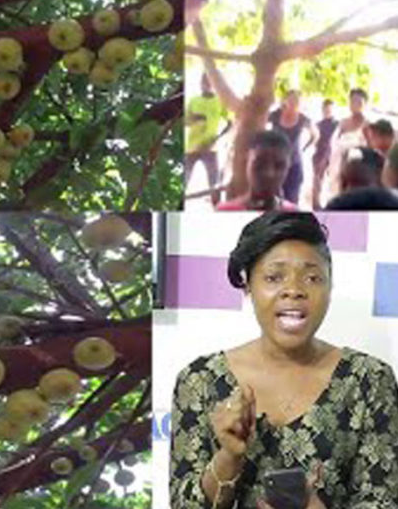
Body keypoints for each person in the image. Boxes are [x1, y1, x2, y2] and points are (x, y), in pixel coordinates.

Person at [170, 212, 398, 508]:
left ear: (330, 287)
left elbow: (383, 500)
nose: (294, 290)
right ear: (248, 285)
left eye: (313, 277)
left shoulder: (369, 380)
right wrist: (229, 455)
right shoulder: (200, 380)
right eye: (274, 277)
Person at [216, 130, 297, 211]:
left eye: (279, 166)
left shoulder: (294, 216)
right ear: (246, 160)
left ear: (289, 166)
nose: (269, 173)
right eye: (260, 164)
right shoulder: (226, 213)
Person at [185, 74, 229, 206]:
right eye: (203, 82)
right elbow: (185, 122)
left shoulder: (220, 101)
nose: (205, 84)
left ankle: (218, 208)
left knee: (214, 184)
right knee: (184, 181)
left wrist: (218, 138)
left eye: (209, 82)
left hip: (211, 148)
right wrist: (195, 119)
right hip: (191, 147)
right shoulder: (194, 100)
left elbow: (231, 123)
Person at [267, 90, 315, 205]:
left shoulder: (303, 118)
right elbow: (260, 124)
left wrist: (304, 148)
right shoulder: (275, 115)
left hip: (294, 163)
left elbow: (315, 135)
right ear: (285, 100)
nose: (294, 102)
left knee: (292, 200)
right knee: (274, 199)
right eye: (291, 99)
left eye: (297, 100)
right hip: (275, 164)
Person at [323, 88, 369, 204]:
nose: (355, 105)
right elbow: (333, 145)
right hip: (337, 168)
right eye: (353, 101)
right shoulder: (342, 122)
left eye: (359, 102)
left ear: (365, 104)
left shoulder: (368, 125)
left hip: (357, 171)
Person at [310, 99, 337, 209]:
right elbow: (313, 139)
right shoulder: (318, 124)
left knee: (333, 182)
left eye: (329, 109)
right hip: (319, 154)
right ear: (322, 109)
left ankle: (331, 204)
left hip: (332, 155)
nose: (327, 111)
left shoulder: (337, 124)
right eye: (325, 109)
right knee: (317, 181)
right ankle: (315, 205)